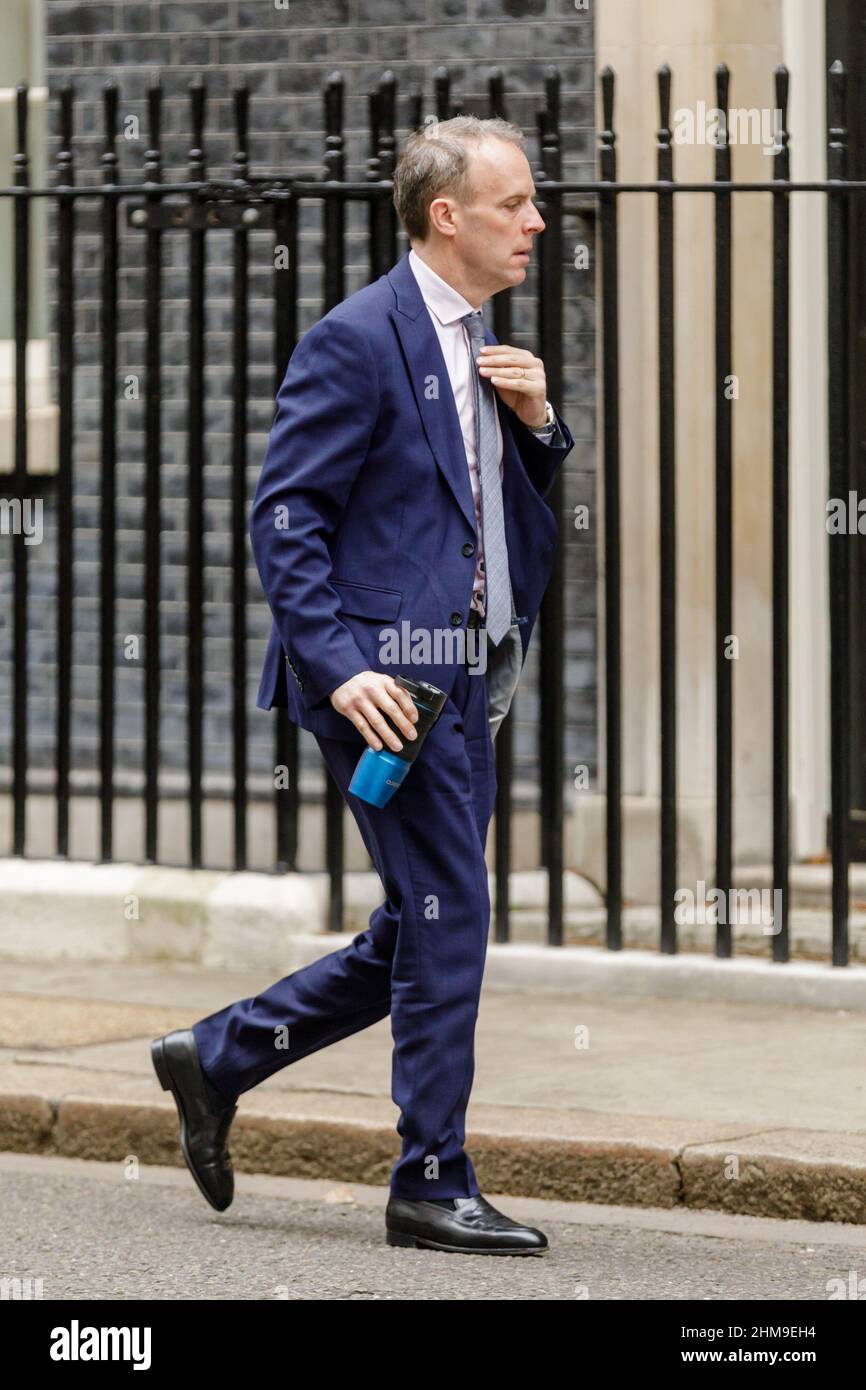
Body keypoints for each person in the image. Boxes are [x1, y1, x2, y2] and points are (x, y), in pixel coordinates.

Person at [152, 114, 574, 1256]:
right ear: (447, 215)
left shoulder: (482, 345)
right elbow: (285, 520)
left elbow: (484, 517)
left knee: (425, 922)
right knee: (452, 918)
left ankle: (222, 1054)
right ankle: (430, 1178)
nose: (536, 221)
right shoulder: (357, 338)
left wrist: (539, 430)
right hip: (387, 688)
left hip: (465, 680)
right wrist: (340, 674)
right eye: (513, 204)